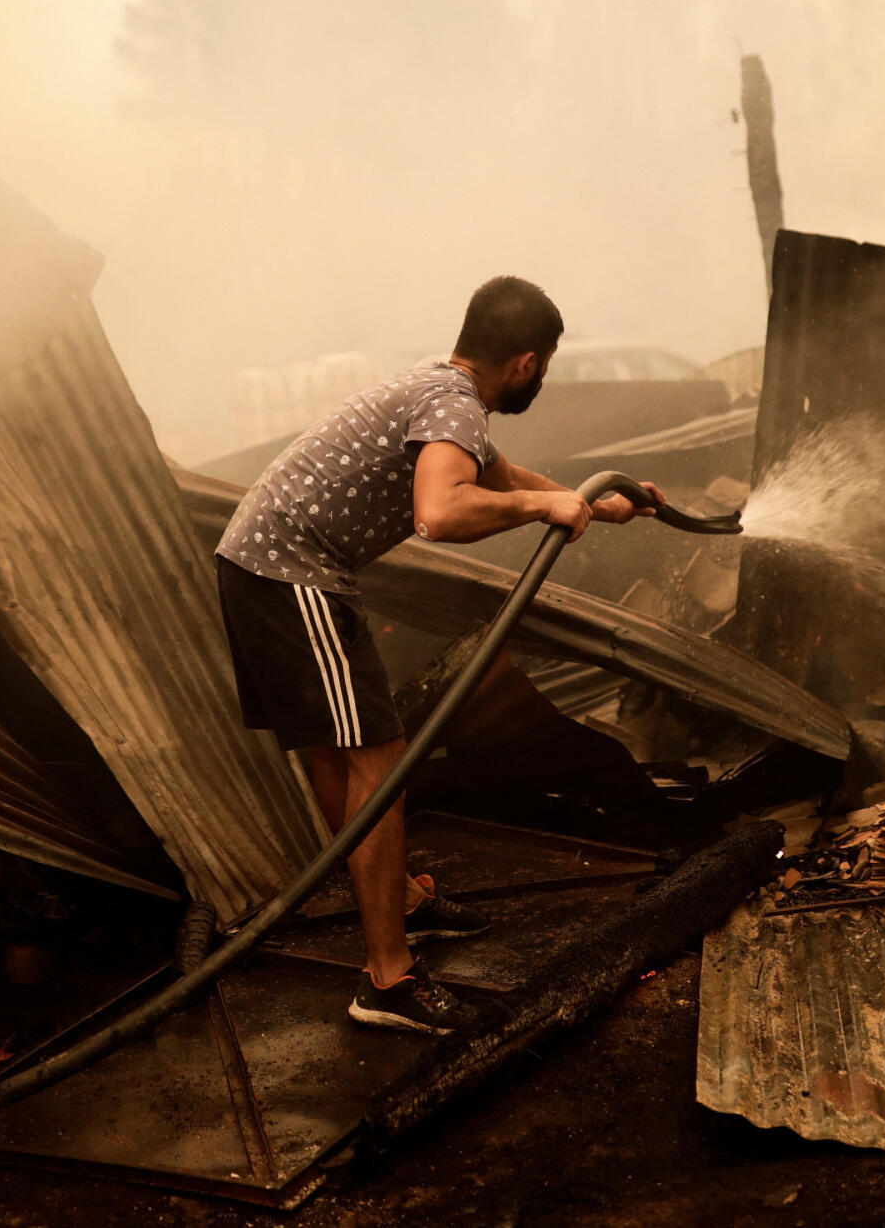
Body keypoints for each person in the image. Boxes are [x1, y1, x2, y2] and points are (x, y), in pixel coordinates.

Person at [213, 276, 660, 1034]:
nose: (542, 379)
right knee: (377, 765)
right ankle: (387, 979)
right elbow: (440, 511)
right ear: (525, 362)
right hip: (290, 571)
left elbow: (503, 478)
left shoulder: (443, 390)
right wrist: (540, 507)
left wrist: (597, 503)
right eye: (545, 365)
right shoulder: (452, 403)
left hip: (261, 562)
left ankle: (406, 907)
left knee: (338, 754)